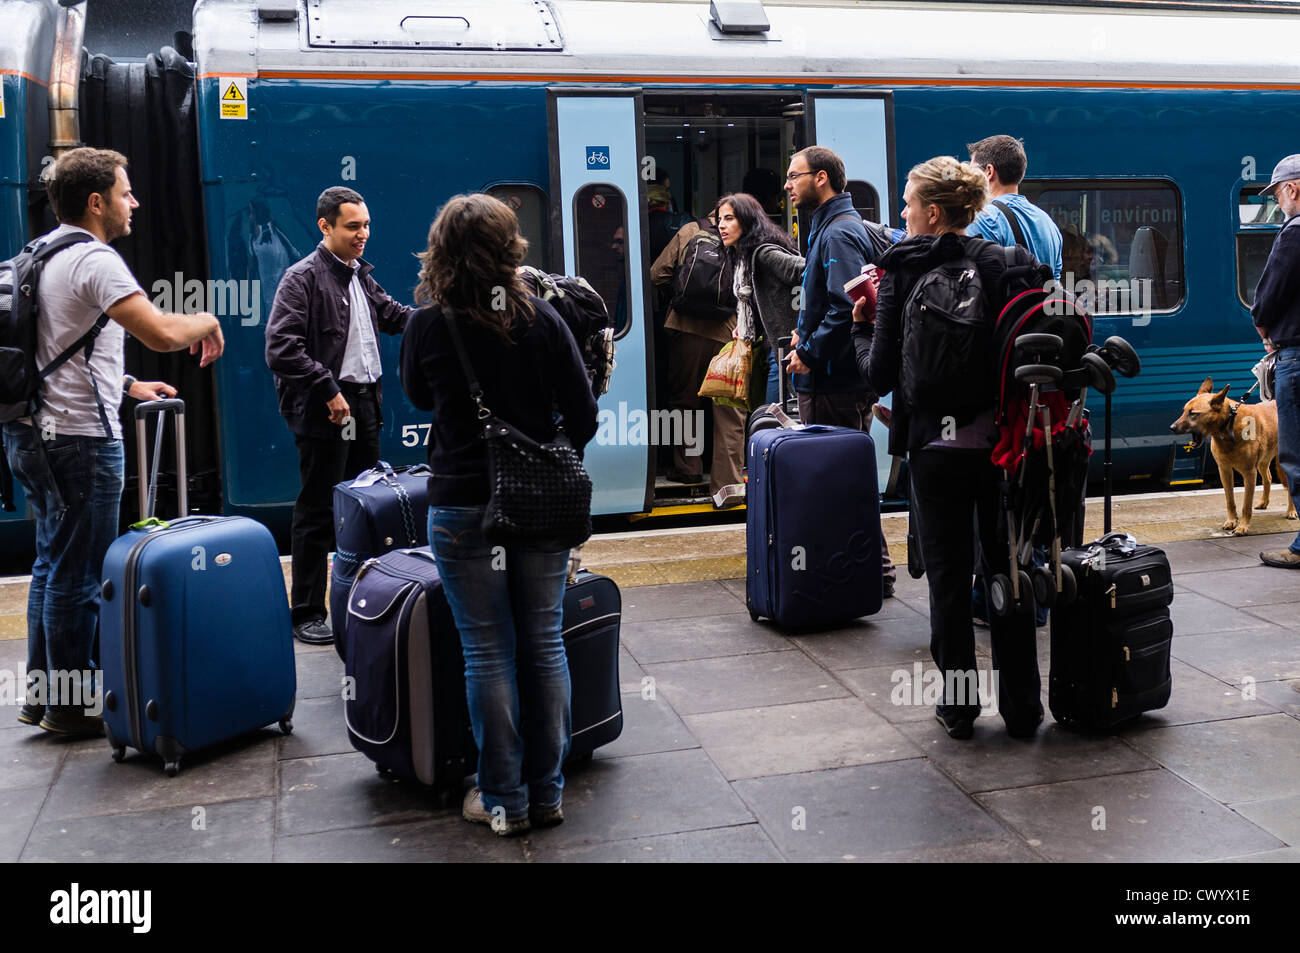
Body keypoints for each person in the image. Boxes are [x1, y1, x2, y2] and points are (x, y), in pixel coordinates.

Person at [3, 147, 224, 736]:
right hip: (79, 442)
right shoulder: (96, 259)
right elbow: (161, 330)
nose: (136, 203)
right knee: (76, 574)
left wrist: (126, 384)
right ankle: (74, 710)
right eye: (127, 193)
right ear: (97, 202)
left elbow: (54, 346)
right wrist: (208, 319)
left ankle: (43, 696)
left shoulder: (40, 253)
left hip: (30, 434)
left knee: (51, 563)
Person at [400, 193, 598, 835]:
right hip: (537, 504)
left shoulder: (429, 323)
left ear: (443, 252)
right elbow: (585, 410)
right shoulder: (543, 318)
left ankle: (501, 800)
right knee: (543, 644)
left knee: (486, 650)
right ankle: (547, 795)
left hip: (461, 504)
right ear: (510, 246)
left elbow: (416, 393)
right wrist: (547, 455)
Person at [852, 155, 1043, 740]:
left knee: (948, 578)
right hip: (1001, 448)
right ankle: (1022, 709)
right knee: (1006, 572)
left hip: (934, 450)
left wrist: (861, 326)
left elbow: (878, 374)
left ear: (933, 213)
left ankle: (959, 708)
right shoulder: (1008, 264)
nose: (903, 214)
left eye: (908, 204)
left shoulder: (901, 270)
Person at [265, 186, 415, 645]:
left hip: (364, 404)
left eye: (366, 225)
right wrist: (327, 387)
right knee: (316, 510)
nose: (363, 234)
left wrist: (440, 317)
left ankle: (363, 600)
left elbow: (392, 315)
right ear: (325, 226)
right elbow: (280, 347)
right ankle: (306, 611)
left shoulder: (358, 276)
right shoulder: (303, 277)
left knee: (365, 506)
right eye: (353, 226)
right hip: (327, 409)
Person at [784, 145, 897, 594]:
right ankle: (868, 569)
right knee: (842, 479)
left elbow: (846, 304)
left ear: (822, 178)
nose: (789, 185)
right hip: (840, 376)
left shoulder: (837, 234)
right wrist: (802, 331)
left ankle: (876, 571)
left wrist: (809, 352)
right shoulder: (837, 227)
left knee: (841, 482)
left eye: (795, 176)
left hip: (834, 380)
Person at [965, 135, 1062, 628]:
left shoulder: (981, 221)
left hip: (997, 366)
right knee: (1033, 477)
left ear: (986, 174)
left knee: (996, 483)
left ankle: (996, 592)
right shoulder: (1048, 224)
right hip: (1040, 365)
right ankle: (1037, 585)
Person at [650, 212, 747, 506]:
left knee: (684, 402)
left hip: (685, 328)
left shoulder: (690, 230)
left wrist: (680, 294)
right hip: (729, 334)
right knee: (728, 411)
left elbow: (657, 274)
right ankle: (727, 486)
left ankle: (688, 469)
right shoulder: (747, 236)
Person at [1252, 154, 1300, 568]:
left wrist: (1263, 325)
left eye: (1278, 194)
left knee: (1295, 454)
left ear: (1293, 189)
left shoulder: (1294, 233)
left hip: (1296, 358)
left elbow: (1269, 294)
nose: (1278, 203)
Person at [714, 192, 804, 406]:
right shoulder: (742, 258)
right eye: (719, 220)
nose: (721, 226)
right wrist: (748, 324)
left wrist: (803, 327)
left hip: (783, 350)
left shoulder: (763, 254)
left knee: (775, 418)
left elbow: (807, 269)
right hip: (771, 349)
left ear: (747, 221)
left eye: (729, 218)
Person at [966, 135, 1063, 280]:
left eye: (972, 171)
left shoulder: (983, 219)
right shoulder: (1049, 224)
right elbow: (1054, 282)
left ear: (989, 171)